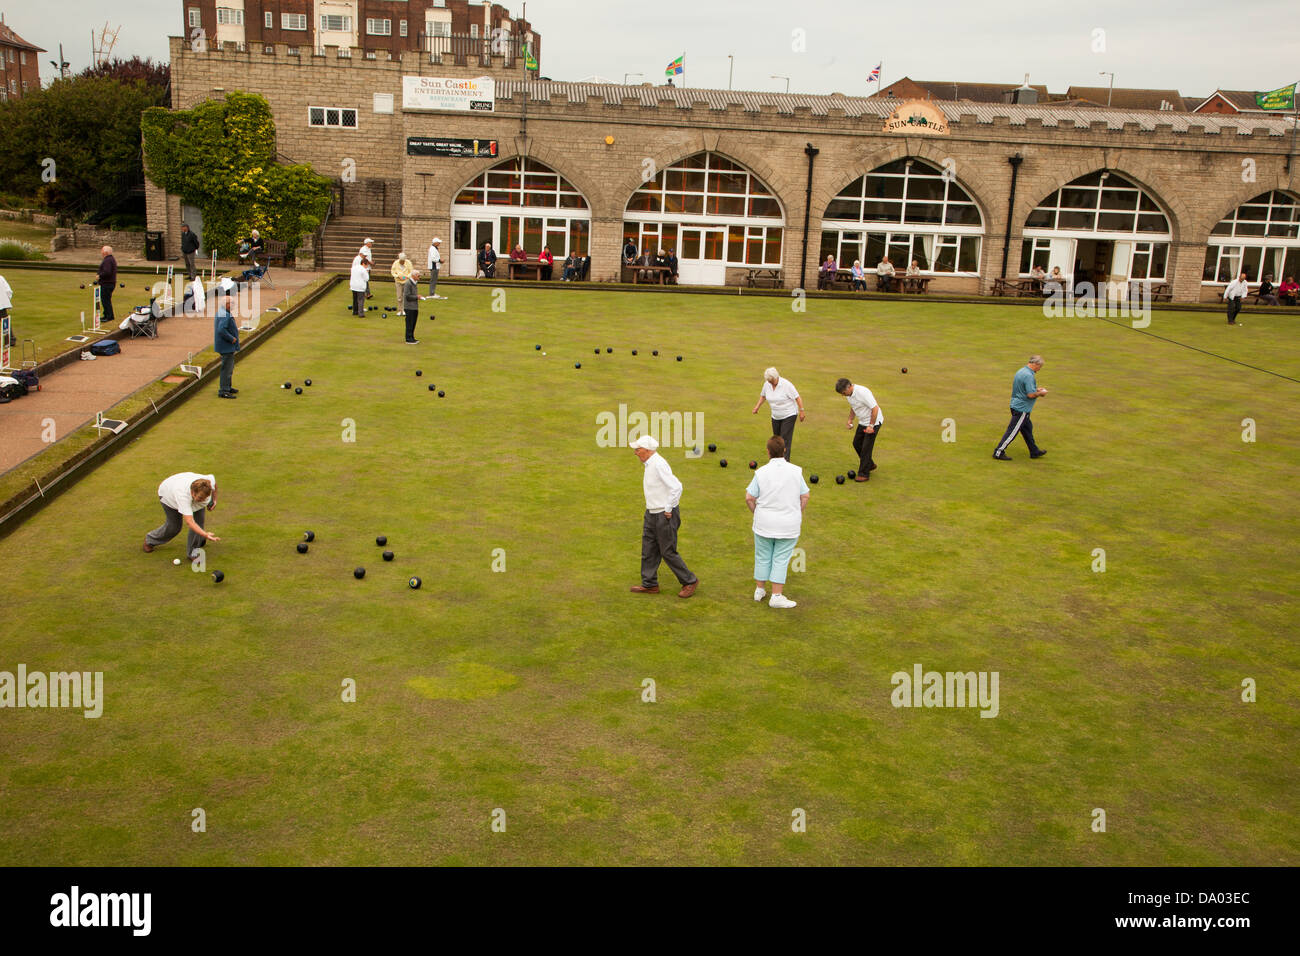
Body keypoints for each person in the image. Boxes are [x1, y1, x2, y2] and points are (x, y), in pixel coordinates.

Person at [629, 434, 699, 598]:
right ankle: (650, 584)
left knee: (667, 551)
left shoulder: (659, 464)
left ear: (647, 450)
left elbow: (677, 487)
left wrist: (668, 508)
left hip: (664, 514)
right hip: (651, 513)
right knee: (648, 548)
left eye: (637, 449)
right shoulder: (649, 463)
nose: (635, 452)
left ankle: (690, 581)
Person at [746, 435, 809, 609]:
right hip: (788, 524)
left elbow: (749, 498)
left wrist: (756, 512)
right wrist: (798, 511)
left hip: (764, 523)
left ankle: (759, 590)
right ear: (784, 451)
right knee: (780, 558)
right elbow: (805, 496)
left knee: (762, 555)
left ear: (768, 452)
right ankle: (776, 596)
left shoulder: (761, 472)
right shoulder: (796, 471)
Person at [143, 472, 221, 559]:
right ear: (192, 492)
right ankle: (150, 540)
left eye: (205, 498)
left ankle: (193, 552)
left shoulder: (208, 482)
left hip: (181, 484)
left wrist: (214, 500)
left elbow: (215, 486)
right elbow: (190, 522)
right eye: (200, 498)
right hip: (168, 496)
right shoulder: (182, 496)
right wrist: (205, 534)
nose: (203, 500)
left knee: (199, 523)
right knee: (174, 527)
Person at [993, 354, 1047, 461]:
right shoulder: (1029, 376)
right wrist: (1041, 393)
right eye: (1040, 366)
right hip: (1022, 409)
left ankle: (1034, 451)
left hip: (1015, 404)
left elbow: (1024, 388)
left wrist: (1036, 389)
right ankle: (998, 452)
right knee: (1012, 431)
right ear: (1035, 364)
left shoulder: (1021, 371)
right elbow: (1030, 394)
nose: (1039, 369)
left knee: (1027, 429)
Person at [835, 376, 884, 480]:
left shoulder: (863, 392)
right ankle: (869, 464)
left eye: (843, 393)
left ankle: (863, 474)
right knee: (856, 443)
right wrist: (850, 420)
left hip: (874, 422)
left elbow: (875, 408)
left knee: (866, 447)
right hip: (863, 421)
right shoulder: (849, 395)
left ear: (848, 387)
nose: (843, 395)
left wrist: (871, 426)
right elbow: (854, 407)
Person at [752, 367, 805, 460]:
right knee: (776, 440)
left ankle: (785, 463)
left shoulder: (786, 385)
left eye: (771, 380)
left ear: (776, 377)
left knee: (784, 440)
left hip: (789, 414)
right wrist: (757, 407)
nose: (770, 382)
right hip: (776, 416)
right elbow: (763, 396)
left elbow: (797, 397)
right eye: (769, 381)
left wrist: (802, 411)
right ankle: (776, 461)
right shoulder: (767, 385)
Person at [214, 293, 240, 399]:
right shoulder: (225, 314)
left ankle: (227, 387)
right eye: (232, 303)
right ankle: (224, 390)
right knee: (227, 368)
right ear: (227, 304)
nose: (233, 305)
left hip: (225, 346)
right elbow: (221, 330)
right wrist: (232, 338)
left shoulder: (222, 312)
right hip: (226, 346)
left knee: (229, 367)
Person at [94, 246, 118, 325]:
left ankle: (109, 316)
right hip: (109, 283)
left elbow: (107, 272)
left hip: (107, 284)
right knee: (105, 300)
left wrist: (99, 276)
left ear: (105, 252)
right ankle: (106, 315)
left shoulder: (108, 260)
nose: (101, 253)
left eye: (102, 251)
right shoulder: (110, 259)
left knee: (106, 300)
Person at [402, 268, 423, 344]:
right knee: (409, 323)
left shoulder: (414, 283)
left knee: (413, 322)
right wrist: (416, 297)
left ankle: (412, 337)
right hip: (409, 307)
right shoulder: (408, 283)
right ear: (413, 276)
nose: (419, 277)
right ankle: (408, 338)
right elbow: (407, 296)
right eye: (418, 276)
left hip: (414, 306)